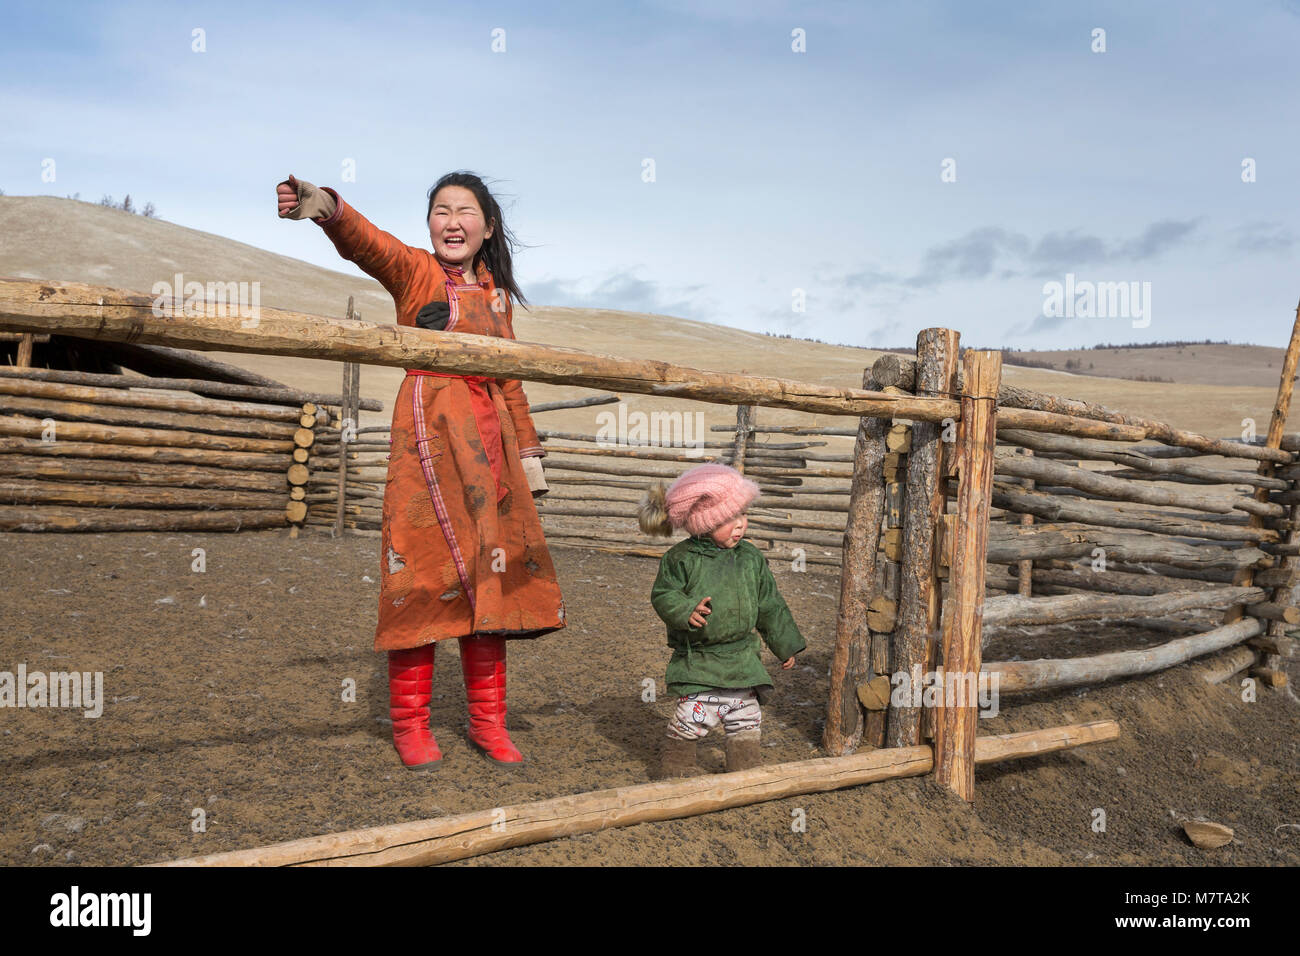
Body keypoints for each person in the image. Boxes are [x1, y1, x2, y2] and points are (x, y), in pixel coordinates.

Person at [276, 171, 565, 770]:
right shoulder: (416, 272)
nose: (451, 221)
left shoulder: (498, 298)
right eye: (440, 211)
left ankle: (489, 724)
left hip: (490, 460)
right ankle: (411, 725)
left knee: (491, 580)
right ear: (429, 224)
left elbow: (509, 379)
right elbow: (368, 243)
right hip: (427, 449)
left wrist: (529, 454)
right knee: (419, 577)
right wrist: (324, 207)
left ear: (487, 228)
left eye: (465, 212)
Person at [638, 463, 805, 777]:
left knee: (746, 716)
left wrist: (786, 644)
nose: (740, 525)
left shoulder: (751, 558)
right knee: (694, 716)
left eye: (742, 514)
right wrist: (685, 609)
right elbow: (663, 594)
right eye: (728, 519)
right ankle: (677, 765)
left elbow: (770, 603)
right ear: (704, 522)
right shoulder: (681, 559)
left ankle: (744, 767)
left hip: (742, 657)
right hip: (700, 658)